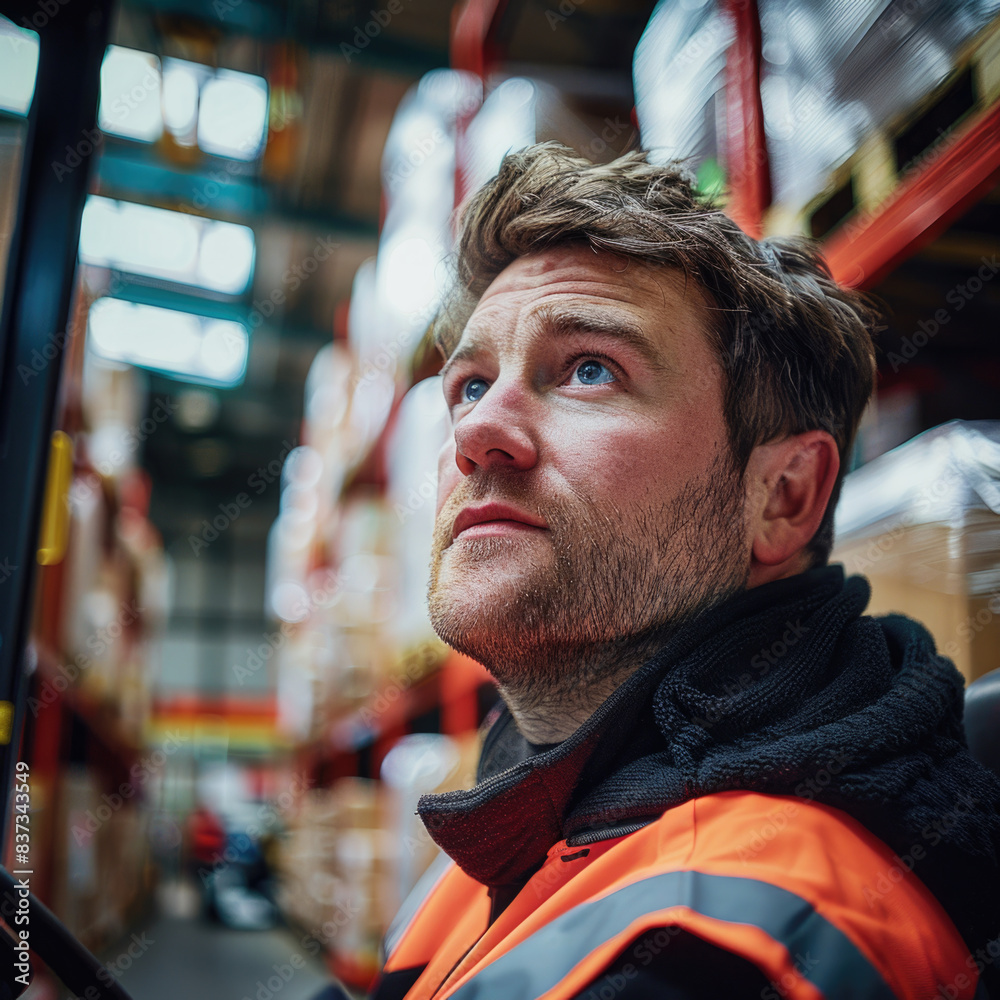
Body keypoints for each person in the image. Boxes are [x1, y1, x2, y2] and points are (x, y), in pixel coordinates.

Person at [372, 143, 1000, 1000]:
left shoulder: (740, 938)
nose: (479, 433)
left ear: (782, 496)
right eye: (472, 385)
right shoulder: (485, 861)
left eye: (590, 369)